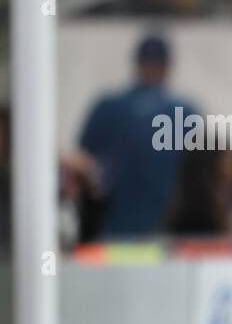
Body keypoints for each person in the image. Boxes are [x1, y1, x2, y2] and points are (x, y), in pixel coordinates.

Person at [69, 34, 201, 240]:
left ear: (137, 63)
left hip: (110, 232)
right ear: (168, 66)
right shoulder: (184, 113)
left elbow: (80, 163)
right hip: (165, 236)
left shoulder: (107, 107)